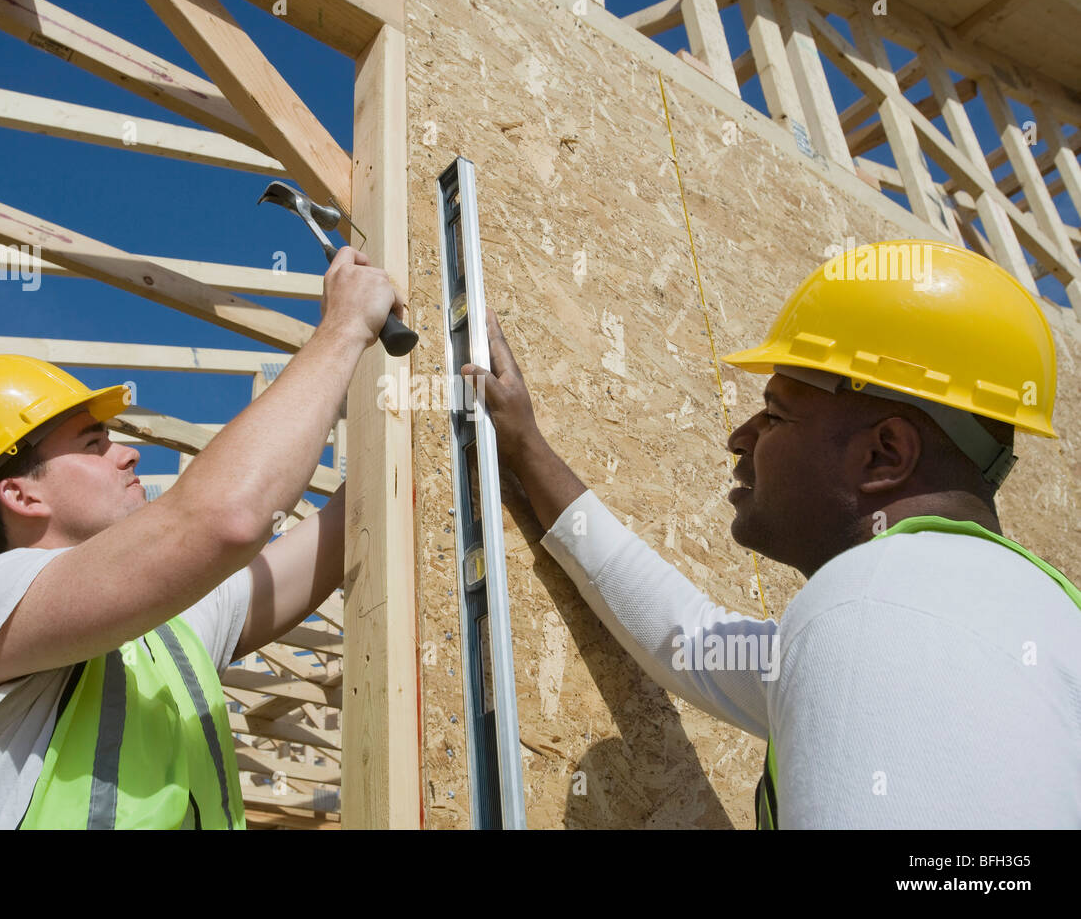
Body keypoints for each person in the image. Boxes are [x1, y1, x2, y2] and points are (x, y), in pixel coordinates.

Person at [463, 240, 1081, 828]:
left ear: (883, 455)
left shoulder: (872, 606)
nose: (741, 437)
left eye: (777, 415)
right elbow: (692, 640)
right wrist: (525, 446)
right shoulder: (1017, 618)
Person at [0, 247, 399, 829]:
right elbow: (228, 519)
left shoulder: (169, 637)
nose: (128, 452)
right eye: (93, 444)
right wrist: (342, 329)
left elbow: (346, 529)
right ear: (22, 496)